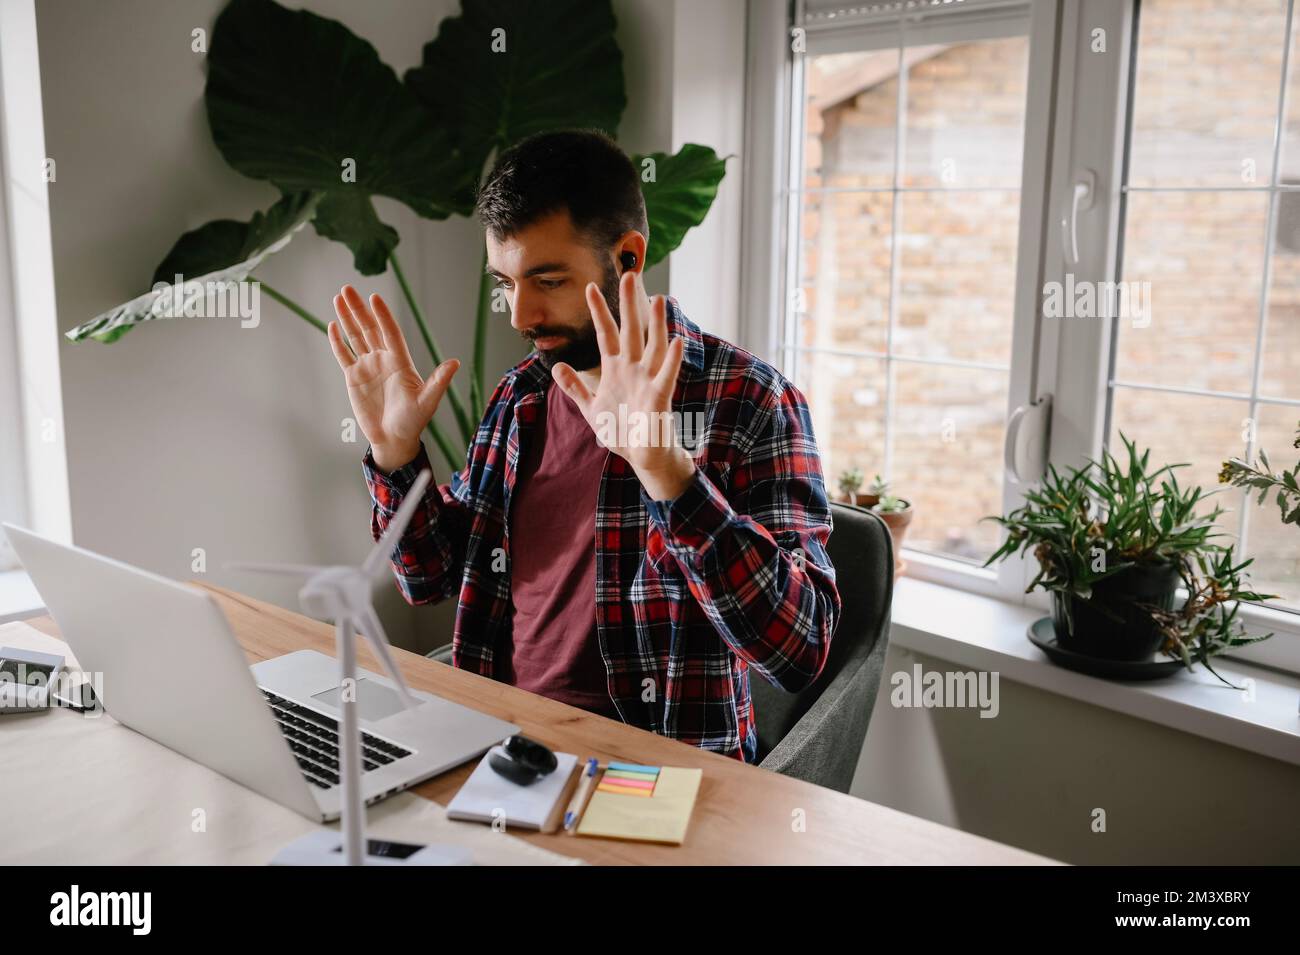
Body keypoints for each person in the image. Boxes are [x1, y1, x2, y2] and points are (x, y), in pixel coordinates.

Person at [327, 129, 840, 763]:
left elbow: (800, 650)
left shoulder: (753, 401)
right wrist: (397, 455)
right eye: (507, 283)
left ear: (627, 257)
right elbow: (426, 577)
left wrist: (666, 472)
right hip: (498, 746)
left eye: (547, 280)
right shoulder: (523, 398)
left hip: (658, 770)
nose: (520, 315)